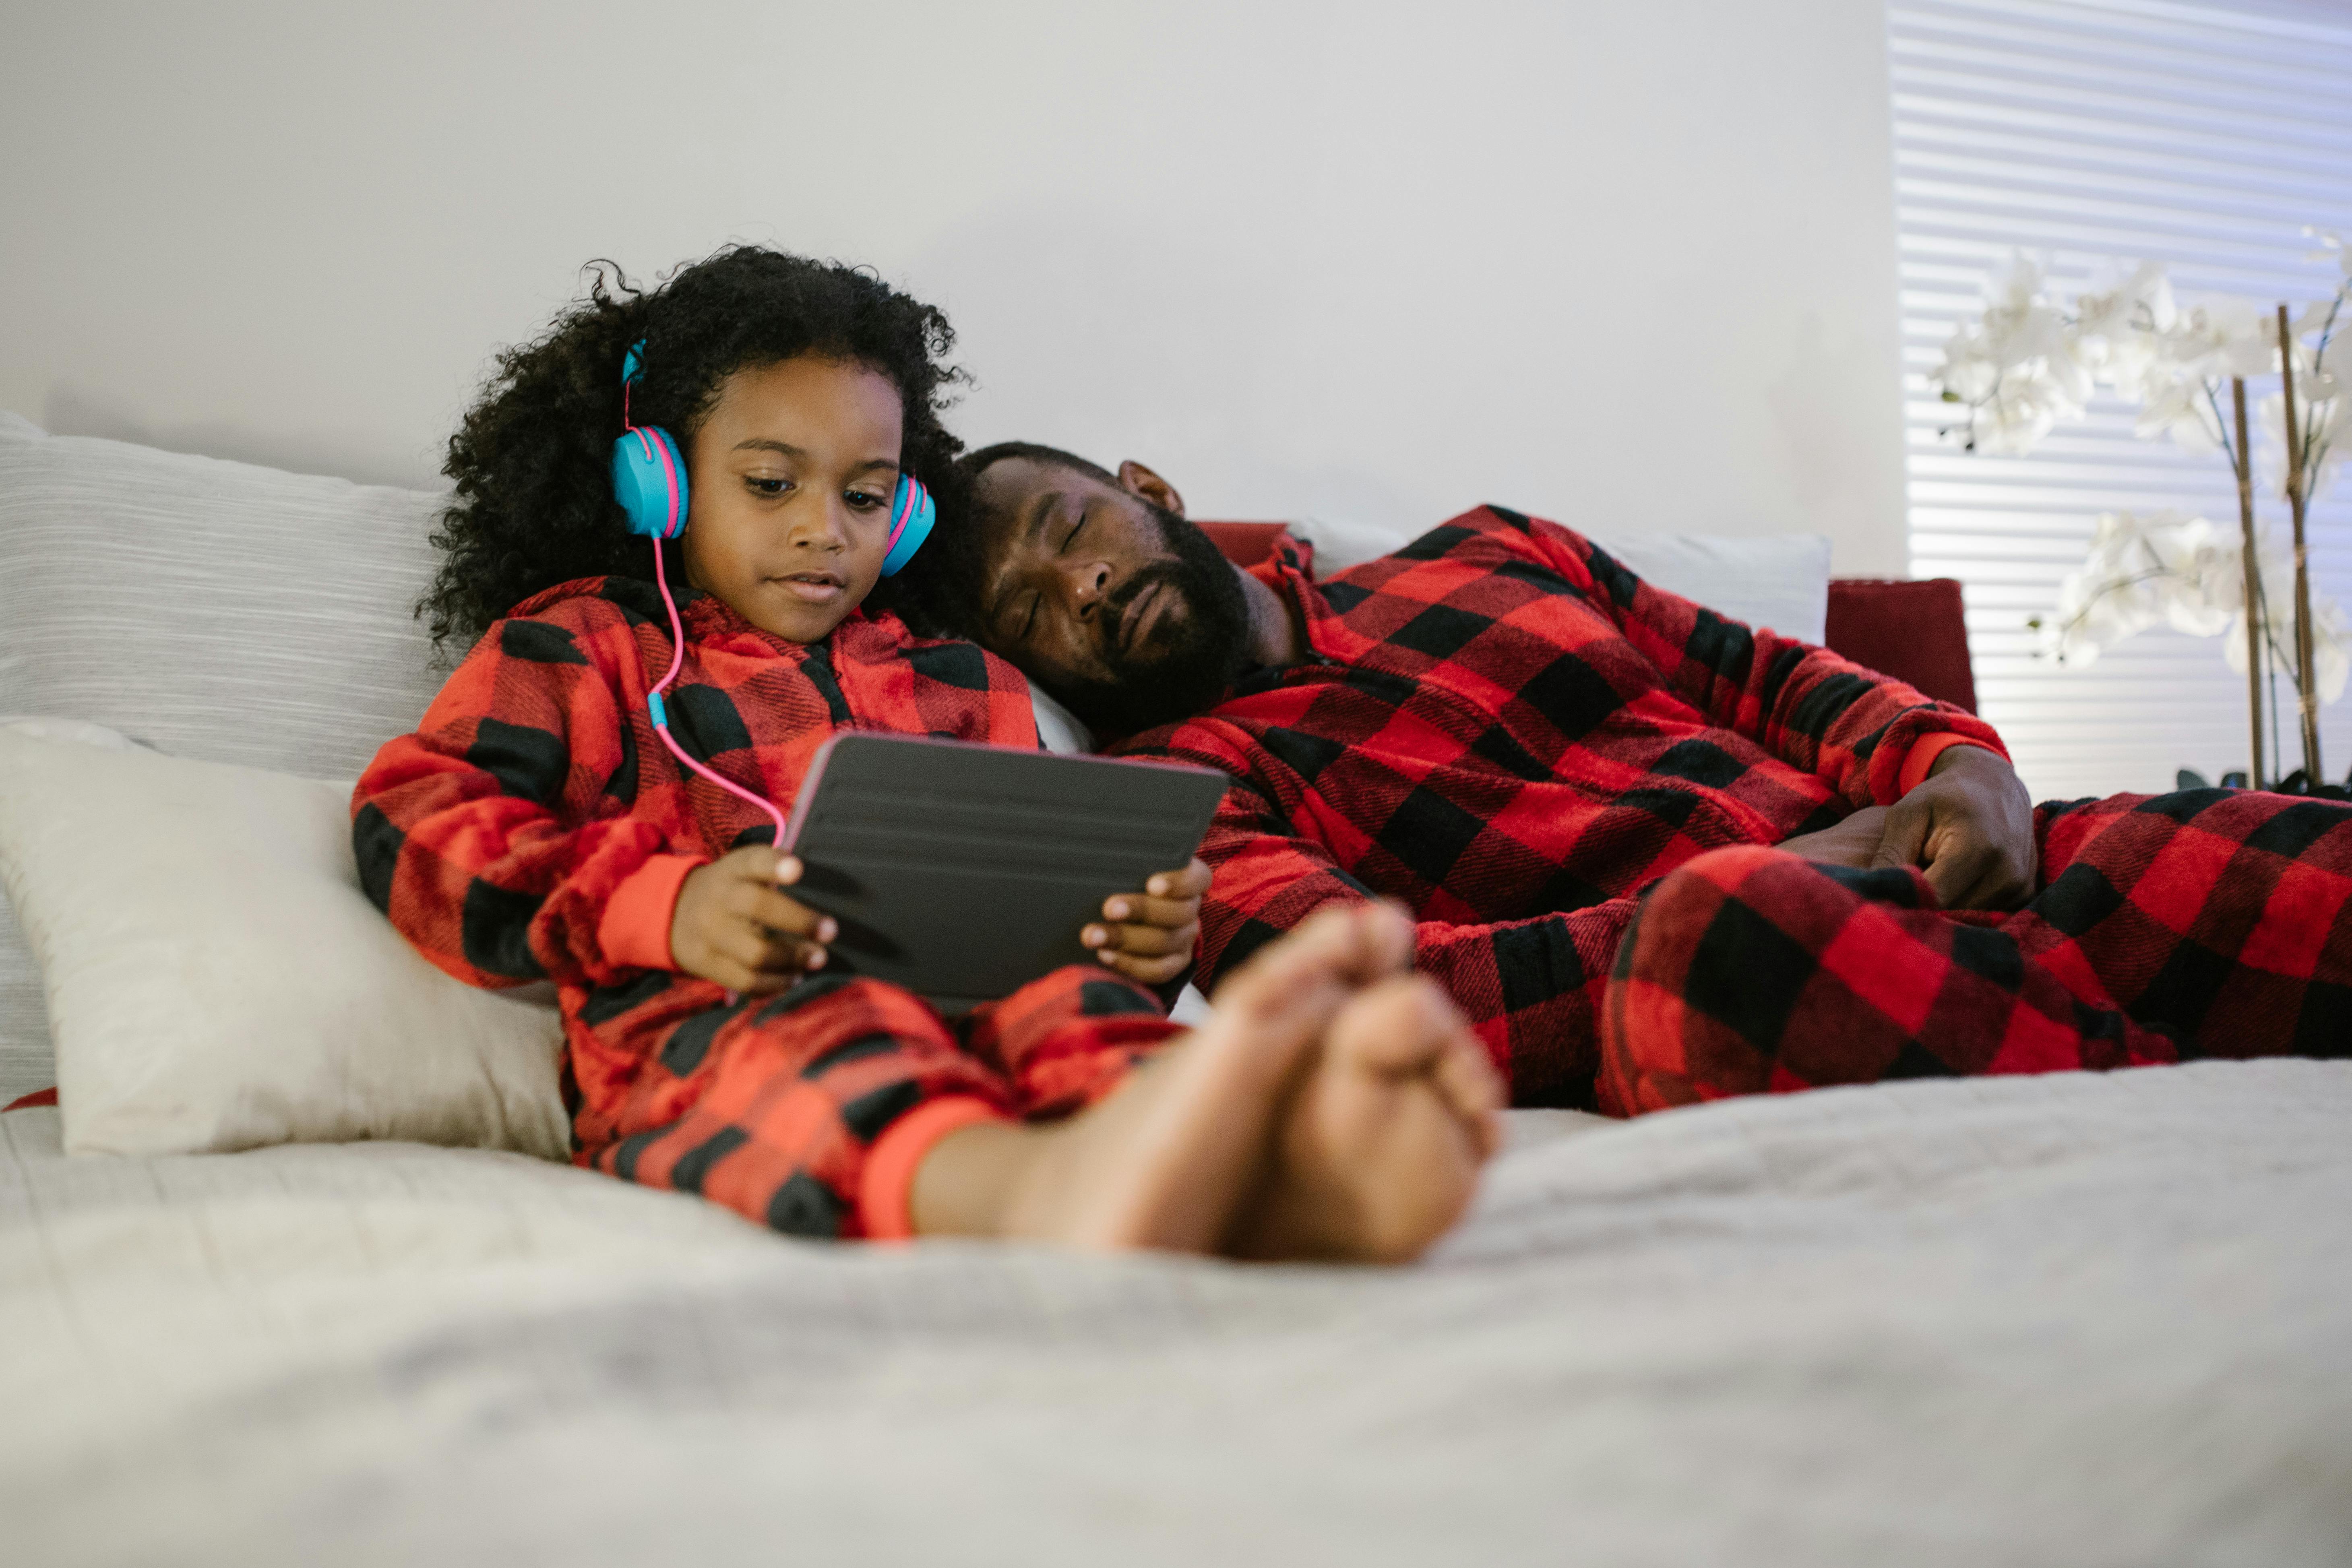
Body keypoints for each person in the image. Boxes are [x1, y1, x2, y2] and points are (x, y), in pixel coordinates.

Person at [353, 250, 1501, 1259]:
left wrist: (1145, 940)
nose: (826, 529)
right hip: (724, 1028)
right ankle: (1039, 1196)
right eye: (770, 484)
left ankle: (1279, 1181)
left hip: (994, 1022)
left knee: (1090, 1022)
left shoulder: (965, 678)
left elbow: (1054, 913)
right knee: (825, 1044)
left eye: (865, 495)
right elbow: (411, 821)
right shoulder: (586, 647)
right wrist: (667, 905)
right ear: (656, 479)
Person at [911, 442, 2350, 1113]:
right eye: (1037, 610)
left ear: (1146, 492)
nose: (1084, 585)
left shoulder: (1487, 546)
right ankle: (2153, 1089)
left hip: (1982, 874)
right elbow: (1392, 1006)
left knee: (2281, 857)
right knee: (1709, 948)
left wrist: (1960, 763)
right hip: (1733, 963)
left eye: (1071, 528)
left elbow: (1769, 677)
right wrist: (1796, 880)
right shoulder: (1182, 798)